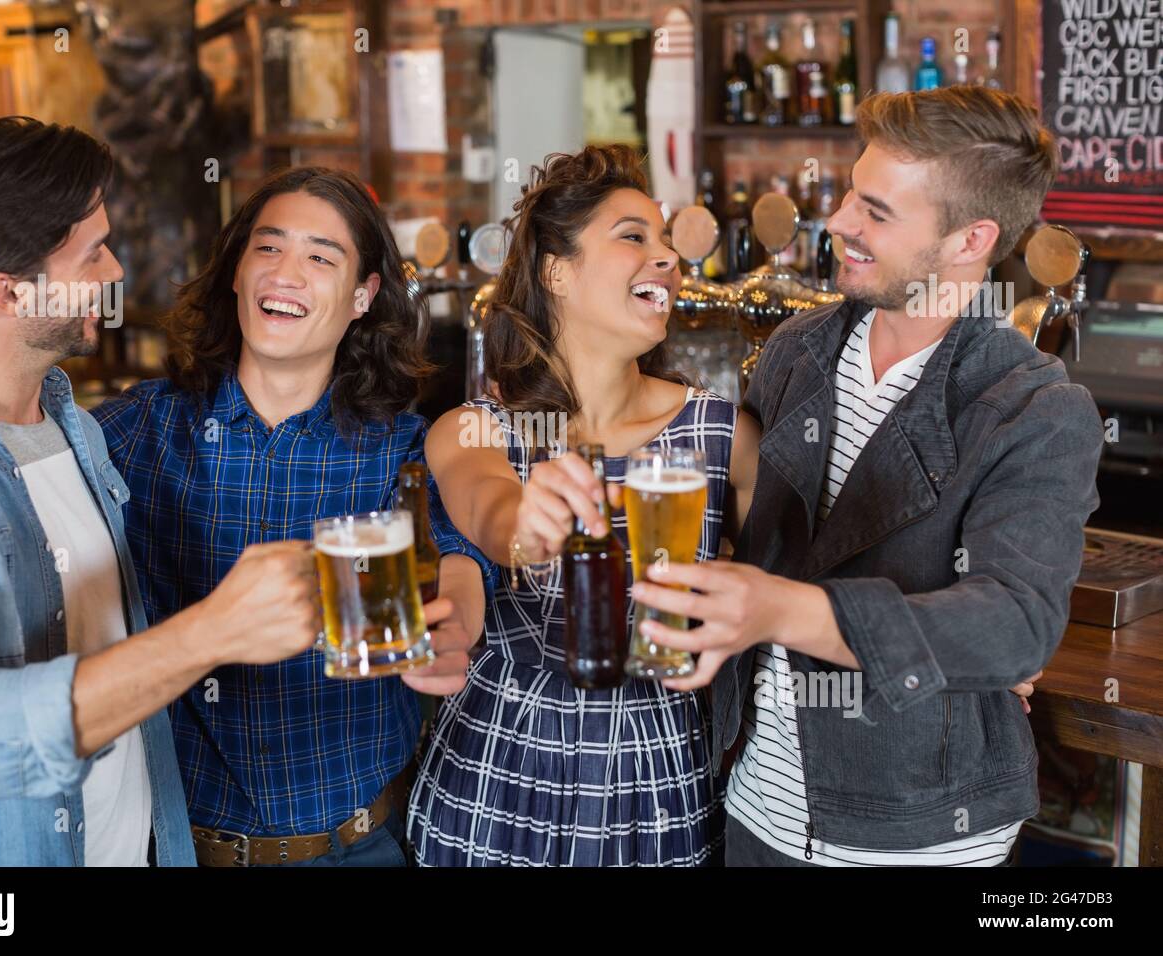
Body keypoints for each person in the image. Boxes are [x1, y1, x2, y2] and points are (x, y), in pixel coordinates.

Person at [634, 87, 1102, 866]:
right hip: (755, 798)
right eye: (852, 191)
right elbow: (742, 536)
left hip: (914, 829)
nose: (840, 222)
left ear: (969, 239)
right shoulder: (797, 348)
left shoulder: (1033, 406)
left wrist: (785, 609)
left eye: (876, 212)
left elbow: (1014, 625)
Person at [0, 117, 319, 866]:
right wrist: (211, 633)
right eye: (91, 253)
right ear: (10, 293)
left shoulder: (74, 422)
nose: (113, 273)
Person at [87, 166, 494, 867]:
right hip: (180, 850)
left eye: (320, 256)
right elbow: (5, 465)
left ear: (363, 296)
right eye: (267, 249)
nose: (286, 272)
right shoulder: (138, 431)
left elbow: (461, 556)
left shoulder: (398, 450)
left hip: (364, 848)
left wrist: (453, 620)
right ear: (237, 275)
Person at [408, 145, 739, 866]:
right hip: (498, 770)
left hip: (659, 769)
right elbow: (488, 507)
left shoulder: (723, 433)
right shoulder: (477, 428)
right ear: (556, 271)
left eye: (666, 241)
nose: (667, 258)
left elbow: (819, 559)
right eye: (633, 237)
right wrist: (524, 525)